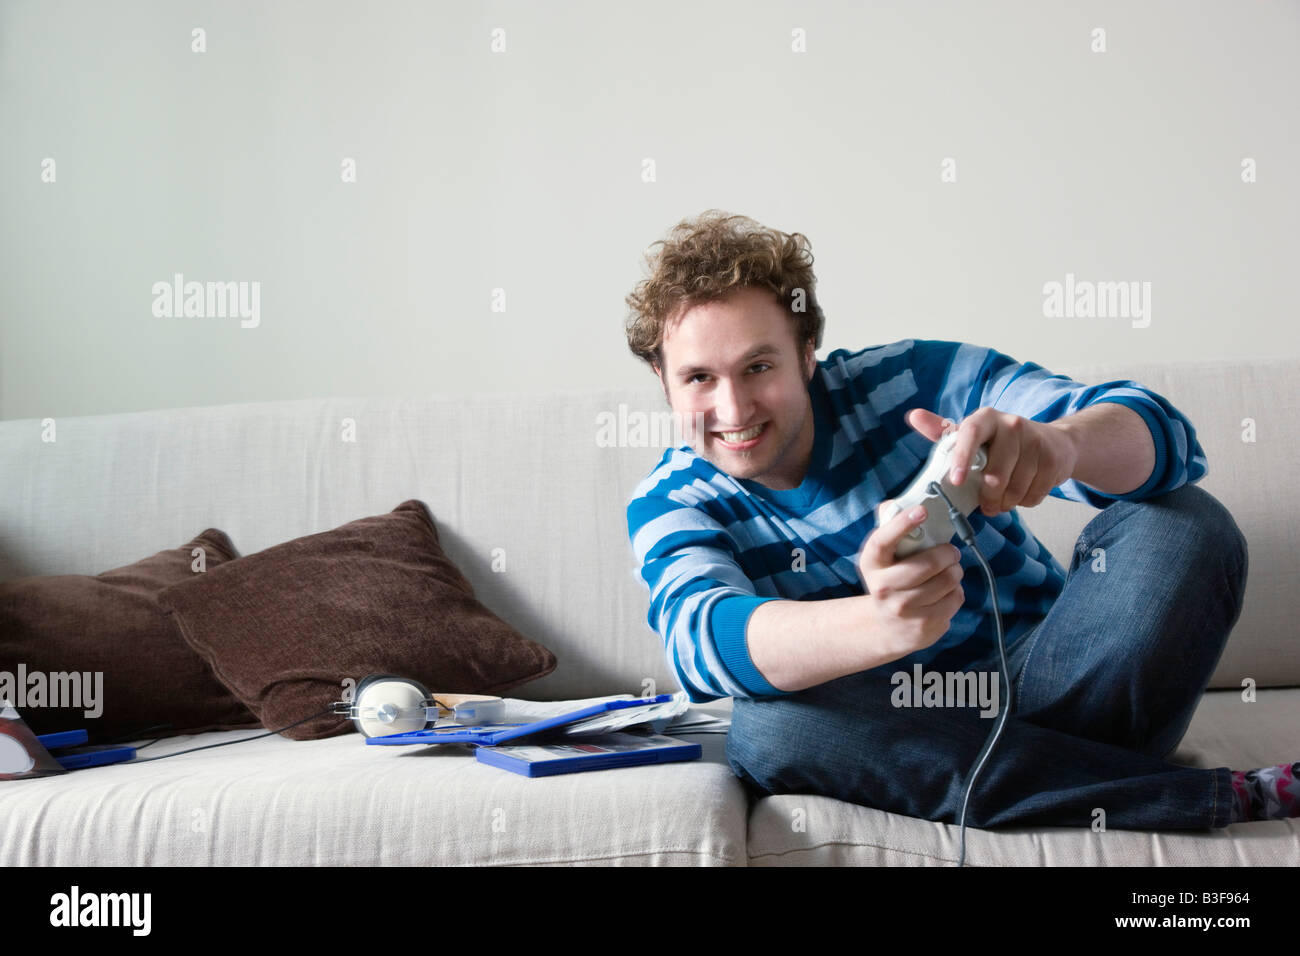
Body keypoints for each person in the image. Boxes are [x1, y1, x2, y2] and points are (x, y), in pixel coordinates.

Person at [623, 209, 1296, 834]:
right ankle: (1208, 793)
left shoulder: (912, 379)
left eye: (759, 365)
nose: (734, 408)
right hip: (906, 731)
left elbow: (1167, 440)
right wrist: (880, 625)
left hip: (1068, 684)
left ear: (807, 352)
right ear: (663, 381)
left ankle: (1066, 782)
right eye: (699, 379)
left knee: (1185, 522)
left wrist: (1061, 445)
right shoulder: (670, 500)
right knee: (766, 733)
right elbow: (700, 642)